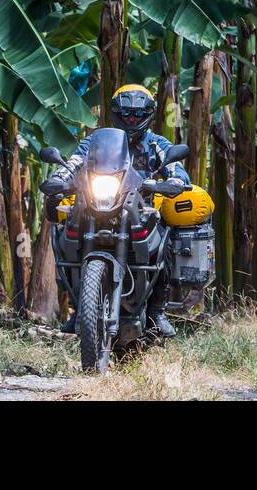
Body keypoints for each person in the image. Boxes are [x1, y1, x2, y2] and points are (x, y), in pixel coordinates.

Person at [45, 84, 189, 338]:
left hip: (140, 208)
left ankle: (156, 312)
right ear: (115, 114)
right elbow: (75, 161)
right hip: (98, 204)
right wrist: (61, 176)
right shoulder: (95, 142)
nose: (131, 119)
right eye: (125, 114)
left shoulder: (156, 143)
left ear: (147, 115)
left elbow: (175, 166)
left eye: (136, 115)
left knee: (166, 240)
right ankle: (80, 310)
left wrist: (175, 180)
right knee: (65, 233)